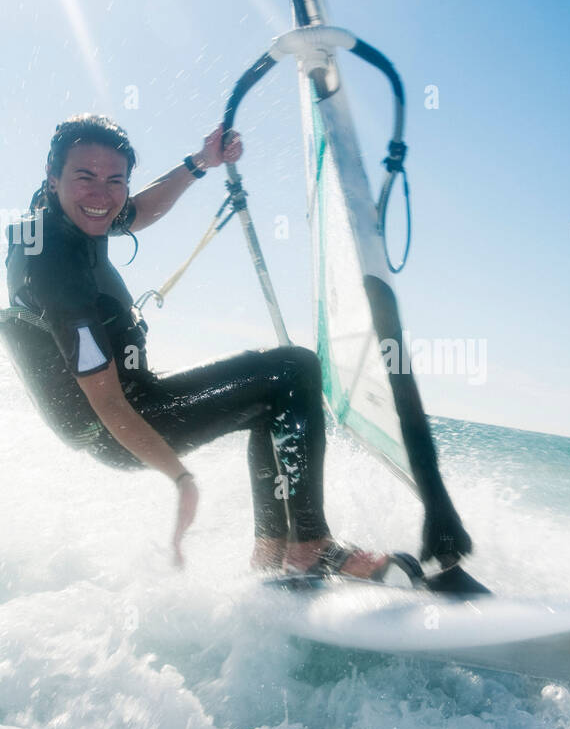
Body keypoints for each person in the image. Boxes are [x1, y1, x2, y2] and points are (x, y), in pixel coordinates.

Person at [3, 113, 388, 576]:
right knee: (294, 369)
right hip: (120, 424)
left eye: (115, 180)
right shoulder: (55, 269)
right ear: (54, 176)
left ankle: (273, 553)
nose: (102, 196)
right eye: (86, 177)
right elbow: (107, 402)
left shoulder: (56, 214)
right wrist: (181, 479)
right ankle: (311, 546)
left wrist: (200, 162)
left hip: (126, 407)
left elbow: (136, 212)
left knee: (271, 395)